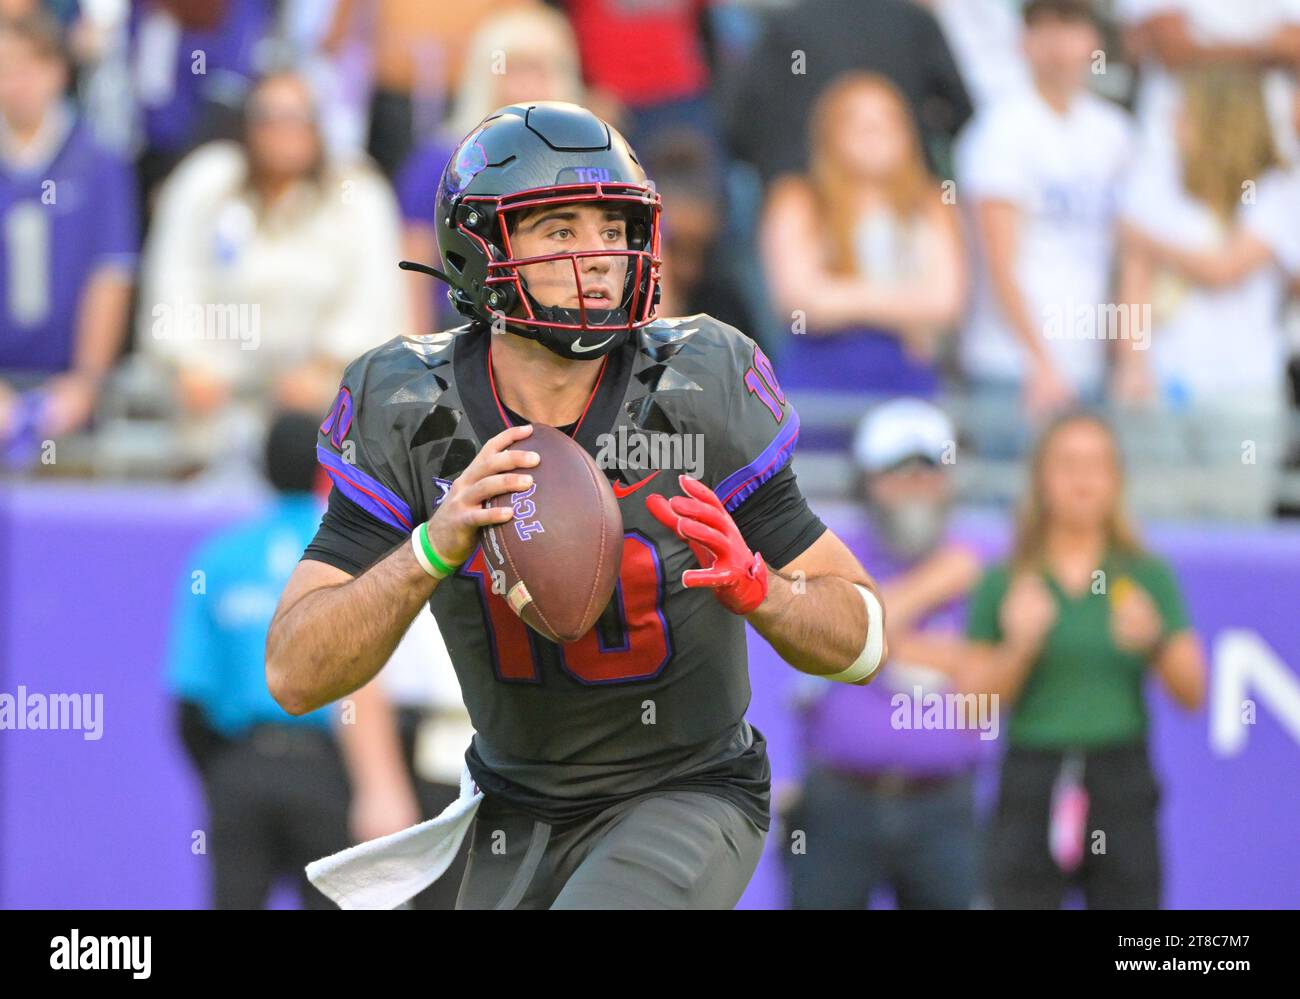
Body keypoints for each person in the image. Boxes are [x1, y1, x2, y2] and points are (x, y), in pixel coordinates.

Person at [266, 101, 891, 910]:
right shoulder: (411, 406)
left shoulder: (697, 385)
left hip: (685, 788)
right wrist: (430, 548)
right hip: (513, 805)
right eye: (559, 229)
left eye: (613, 227)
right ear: (478, 248)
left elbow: (866, 640)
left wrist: (765, 592)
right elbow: (293, 672)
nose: (598, 256)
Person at [165, 411, 409, 908]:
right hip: (329, 771)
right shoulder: (347, 554)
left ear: (261, 467)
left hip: (241, 765)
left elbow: (188, 699)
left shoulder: (219, 558)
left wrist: (224, 777)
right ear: (330, 470)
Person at [965, 411, 1207, 909]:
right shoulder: (1008, 578)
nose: (1082, 479)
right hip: (1032, 778)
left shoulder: (1145, 575)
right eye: (1067, 463)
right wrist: (1019, 646)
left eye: (1097, 464)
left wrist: (1155, 640)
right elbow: (972, 705)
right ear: (1040, 478)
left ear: (1117, 479)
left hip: (1121, 779)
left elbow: (1193, 692)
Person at [137, 69, 402, 467]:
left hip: (324, 400)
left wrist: (325, 370)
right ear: (248, 127)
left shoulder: (358, 193)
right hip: (212, 397)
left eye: (298, 118)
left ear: (318, 127)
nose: (284, 131)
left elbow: (374, 297)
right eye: (270, 118)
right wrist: (189, 362)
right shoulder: (205, 181)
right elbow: (174, 280)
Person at [784, 398, 989, 910]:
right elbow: (836, 637)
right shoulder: (828, 555)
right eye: (898, 474)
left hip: (944, 803)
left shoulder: (986, 566)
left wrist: (887, 634)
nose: (915, 490)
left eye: (928, 473)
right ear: (866, 482)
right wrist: (932, 586)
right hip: (838, 798)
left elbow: (985, 683)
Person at [1116, 66, 1297, 520]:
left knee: (1237, 520)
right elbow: (1132, 287)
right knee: (1155, 518)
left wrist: (1144, 237)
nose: (1174, 125)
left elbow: (1224, 269)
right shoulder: (1154, 189)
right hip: (1164, 384)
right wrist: (1132, 363)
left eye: (1186, 115)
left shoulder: (1275, 189)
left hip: (1242, 390)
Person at [955, 0, 1134, 454]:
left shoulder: (1114, 132)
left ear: (1094, 41)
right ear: (1023, 42)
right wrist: (1040, 362)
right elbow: (999, 260)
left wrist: (1128, 352)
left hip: (1087, 365)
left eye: (1071, 28)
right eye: (1045, 28)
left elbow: (1129, 253)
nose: (1058, 44)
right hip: (1010, 367)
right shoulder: (1000, 130)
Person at [760, 72, 965, 398]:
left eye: (887, 119)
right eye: (858, 121)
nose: (875, 132)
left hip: (906, 380)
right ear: (830, 131)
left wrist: (839, 297)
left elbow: (944, 301)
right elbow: (801, 301)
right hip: (819, 379)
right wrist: (907, 305)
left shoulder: (932, 203)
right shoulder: (798, 199)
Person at [395, 3, 586, 335]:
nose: (528, 85)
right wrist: (419, 355)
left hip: (573, 318)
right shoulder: (442, 158)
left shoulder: (595, 157)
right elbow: (415, 269)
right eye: (514, 70)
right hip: (467, 326)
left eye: (541, 69)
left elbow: (643, 256)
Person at [0, 11, 137, 453]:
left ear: (56, 71)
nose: (13, 83)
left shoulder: (97, 162)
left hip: (68, 390)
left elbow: (111, 275)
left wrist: (85, 382)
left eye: (24, 67)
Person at [721, 0, 972, 183]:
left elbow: (737, 118)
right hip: (895, 189)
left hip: (817, 187)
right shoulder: (914, 22)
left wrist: (783, 165)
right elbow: (959, 108)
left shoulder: (789, 26)